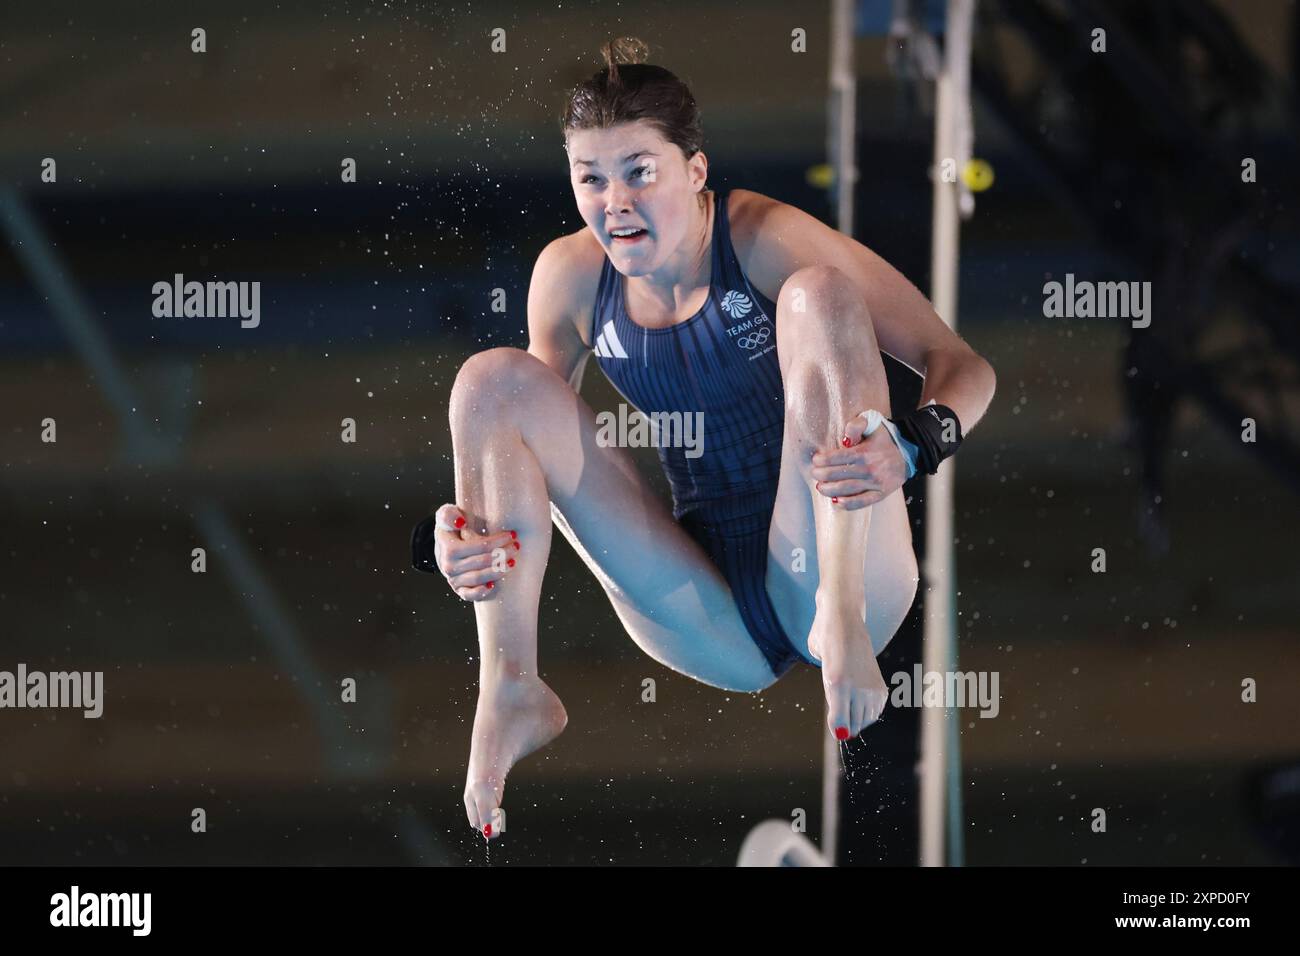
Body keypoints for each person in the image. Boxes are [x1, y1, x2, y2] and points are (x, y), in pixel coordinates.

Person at [411, 37, 997, 840]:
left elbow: (961, 365)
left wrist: (914, 446)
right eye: (591, 179)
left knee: (820, 297)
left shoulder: (763, 238)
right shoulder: (571, 276)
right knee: (490, 381)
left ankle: (843, 617)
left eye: (639, 172)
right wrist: (446, 541)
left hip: (835, 555)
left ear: (694, 172)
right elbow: (516, 451)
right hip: (702, 609)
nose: (613, 200)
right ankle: (510, 685)